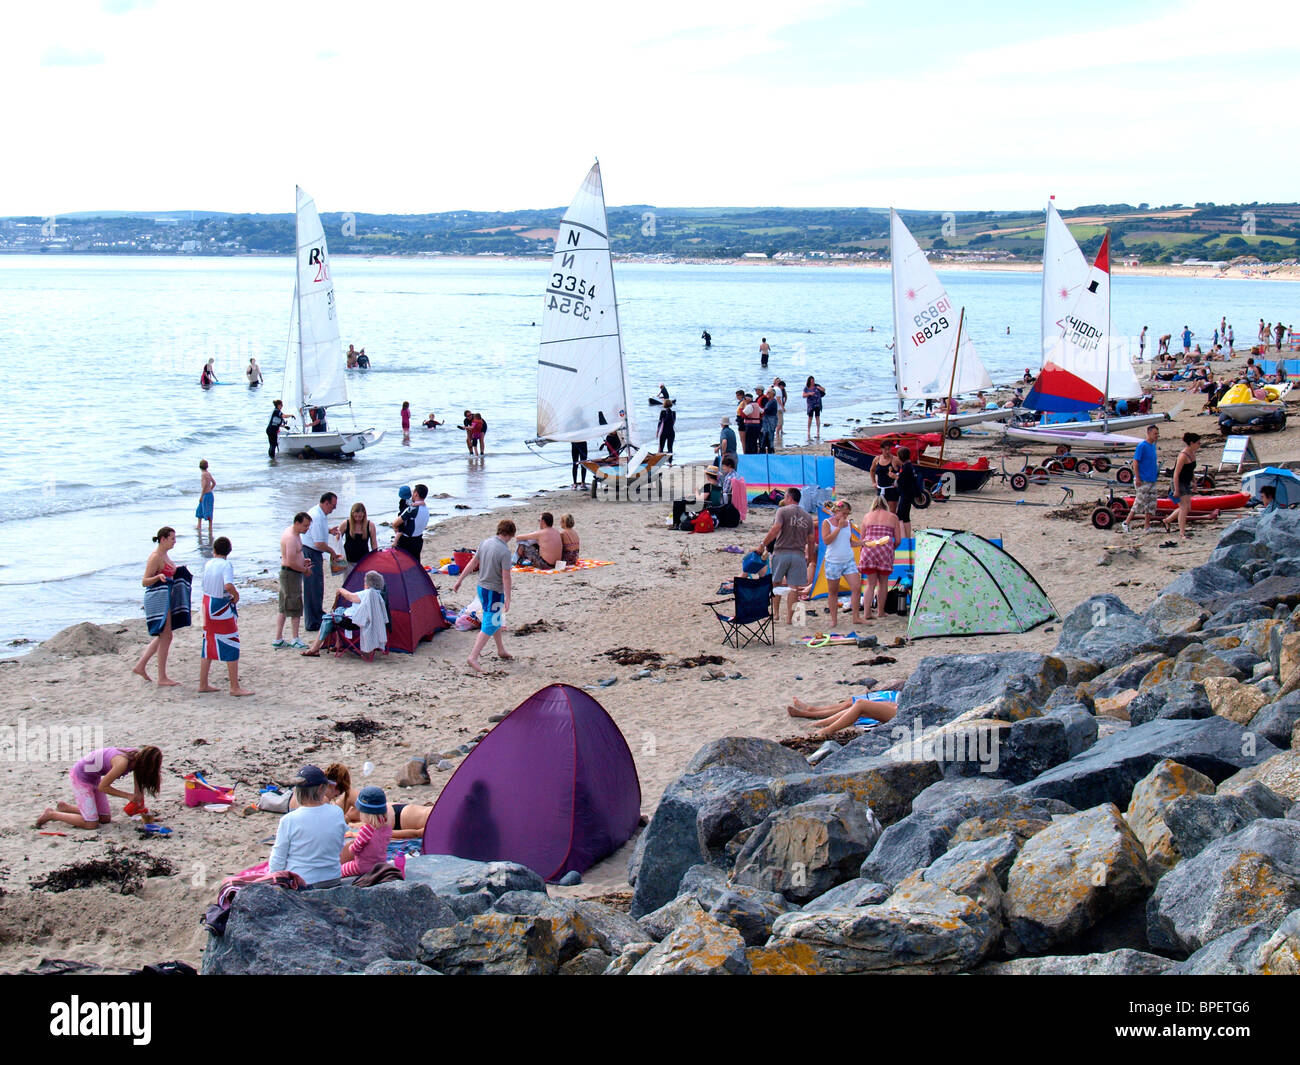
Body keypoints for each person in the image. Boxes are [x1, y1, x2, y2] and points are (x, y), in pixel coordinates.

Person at [36, 746, 163, 831]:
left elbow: (138, 792)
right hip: (81, 777)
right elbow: (103, 787)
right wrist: (128, 796)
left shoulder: (137, 760)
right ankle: (52, 814)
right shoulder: (122, 763)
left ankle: (66, 808)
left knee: (105, 819)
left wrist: (144, 814)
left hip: (94, 777)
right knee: (91, 824)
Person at [268, 765, 347, 888]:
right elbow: (339, 846)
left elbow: (277, 860)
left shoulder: (289, 820)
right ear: (322, 788)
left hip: (301, 883)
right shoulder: (337, 812)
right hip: (333, 879)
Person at [453, 519, 515, 673]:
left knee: (495, 619)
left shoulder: (485, 543)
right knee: (490, 623)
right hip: (493, 591)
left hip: (482, 588)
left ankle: (501, 649)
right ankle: (473, 656)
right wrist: (508, 597)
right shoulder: (505, 552)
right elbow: (506, 577)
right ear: (510, 534)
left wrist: (460, 580)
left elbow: (472, 563)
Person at [198, 536, 251, 696]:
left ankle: (203, 683)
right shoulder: (226, 565)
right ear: (229, 551)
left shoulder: (208, 563)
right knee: (231, 641)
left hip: (206, 602)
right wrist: (235, 594)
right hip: (219, 605)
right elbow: (228, 585)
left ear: (214, 550)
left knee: (208, 641)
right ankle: (234, 686)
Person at [759, 487, 817, 624]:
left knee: (776, 584)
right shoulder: (807, 517)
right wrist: (810, 558)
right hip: (798, 554)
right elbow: (811, 540)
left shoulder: (782, 511)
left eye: (785, 497)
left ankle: (776, 614)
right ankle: (790, 619)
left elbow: (775, 529)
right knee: (793, 588)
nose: (784, 500)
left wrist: (763, 545)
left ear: (790, 498)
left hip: (781, 552)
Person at [132, 527, 179, 686]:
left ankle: (141, 666)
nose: (175, 541)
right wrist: (159, 576)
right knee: (166, 636)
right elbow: (144, 581)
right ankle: (162, 677)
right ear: (163, 539)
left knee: (164, 636)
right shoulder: (155, 557)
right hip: (156, 598)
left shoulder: (165, 555)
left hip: (165, 597)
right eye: (172, 538)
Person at [299, 571, 388, 656]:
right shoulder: (379, 595)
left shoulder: (368, 593)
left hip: (353, 621)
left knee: (328, 618)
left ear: (368, 583)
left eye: (365, 582)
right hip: (363, 621)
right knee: (339, 611)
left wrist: (341, 590)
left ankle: (315, 648)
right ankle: (338, 643)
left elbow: (351, 597)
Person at [858, 495, 902, 620]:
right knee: (883, 583)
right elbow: (898, 540)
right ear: (886, 505)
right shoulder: (893, 517)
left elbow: (862, 538)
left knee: (870, 583)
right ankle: (880, 611)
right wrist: (891, 548)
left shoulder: (867, 516)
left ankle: (867, 612)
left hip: (869, 550)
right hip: (884, 550)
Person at [787, 691, 899, 739]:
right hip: (902, 703)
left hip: (905, 712)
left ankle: (826, 730)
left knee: (860, 704)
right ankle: (819, 721)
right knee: (856, 703)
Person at [821, 500, 862, 630]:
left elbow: (849, 542)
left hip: (848, 560)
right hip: (833, 561)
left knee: (856, 587)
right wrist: (838, 527)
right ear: (837, 511)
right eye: (844, 513)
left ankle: (856, 617)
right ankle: (834, 619)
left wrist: (862, 543)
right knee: (833, 591)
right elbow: (827, 540)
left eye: (847, 514)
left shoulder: (848, 524)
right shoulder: (827, 523)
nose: (846, 516)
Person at [275, 511, 313, 648]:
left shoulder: (296, 534)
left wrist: (303, 560)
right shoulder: (291, 537)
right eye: (305, 525)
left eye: (308, 526)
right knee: (294, 606)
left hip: (291, 573)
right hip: (290, 574)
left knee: (284, 606)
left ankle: (278, 638)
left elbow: (295, 556)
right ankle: (295, 638)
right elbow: (290, 561)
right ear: (297, 523)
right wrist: (305, 570)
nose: (307, 528)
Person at [301, 492, 339, 631]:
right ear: (326, 503)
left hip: (313, 551)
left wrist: (329, 531)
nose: (333, 509)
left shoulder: (320, 514)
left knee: (317, 586)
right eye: (333, 506)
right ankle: (312, 621)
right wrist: (332, 552)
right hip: (311, 552)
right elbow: (318, 543)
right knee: (312, 587)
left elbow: (316, 532)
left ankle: (317, 615)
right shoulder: (316, 516)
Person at [339, 786, 393, 878]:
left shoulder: (367, 829)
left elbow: (355, 850)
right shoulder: (386, 827)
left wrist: (351, 845)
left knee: (340, 870)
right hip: (380, 864)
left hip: (362, 866)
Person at [1167, 432, 1202, 542]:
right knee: (1183, 507)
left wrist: (1194, 482)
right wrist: (1176, 490)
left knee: (1188, 508)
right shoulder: (1183, 455)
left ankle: (1167, 520)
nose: (1199, 445)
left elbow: (1191, 470)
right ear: (1191, 443)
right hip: (1178, 482)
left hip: (1186, 482)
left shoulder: (1192, 453)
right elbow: (1176, 474)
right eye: (1198, 443)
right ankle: (1182, 533)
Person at [1128, 424, 1161, 536]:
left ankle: (1147, 526)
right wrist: (1137, 477)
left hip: (1151, 479)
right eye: (1155, 433)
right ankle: (1126, 522)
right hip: (1143, 479)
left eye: (1157, 434)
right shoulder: (1142, 445)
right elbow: (1135, 462)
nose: (1157, 436)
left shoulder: (1152, 446)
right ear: (1149, 433)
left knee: (1150, 504)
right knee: (1140, 502)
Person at [340, 502, 378, 577]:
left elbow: (374, 544)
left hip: (364, 561)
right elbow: (336, 540)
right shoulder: (346, 524)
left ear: (364, 515)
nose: (357, 519)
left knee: (362, 584)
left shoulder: (370, 525)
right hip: (348, 561)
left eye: (360, 517)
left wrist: (376, 558)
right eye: (355, 516)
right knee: (348, 584)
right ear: (352, 515)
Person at [393, 484, 429, 562]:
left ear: (416, 494)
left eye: (413, 492)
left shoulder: (412, 509)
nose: (411, 495)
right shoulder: (425, 508)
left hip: (406, 542)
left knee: (403, 566)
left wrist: (396, 531)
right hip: (418, 540)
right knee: (415, 565)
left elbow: (395, 523)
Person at [895, 446, 920, 540]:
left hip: (906, 494)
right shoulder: (908, 466)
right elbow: (913, 481)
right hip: (907, 494)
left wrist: (895, 477)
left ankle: (904, 537)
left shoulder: (907, 467)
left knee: (901, 516)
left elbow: (903, 481)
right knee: (903, 515)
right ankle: (905, 536)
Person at [871, 444, 898, 512]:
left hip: (892, 490)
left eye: (889, 449)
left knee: (892, 513)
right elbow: (872, 470)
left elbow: (905, 470)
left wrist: (897, 476)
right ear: (881, 449)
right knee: (878, 512)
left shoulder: (895, 459)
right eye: (885, 449)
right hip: (880, 489)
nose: (887, 451)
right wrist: (874, 482)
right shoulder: (877, 459)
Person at [193, 459, 216, 536]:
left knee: (201, 510)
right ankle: (209, 527)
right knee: (207, 511)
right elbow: (214, 483)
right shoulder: (208, 473)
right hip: (210, 494)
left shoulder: (203, 474)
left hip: (205, 495)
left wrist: (201, 496)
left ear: (200, 467)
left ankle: (199, 525)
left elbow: (204, 485)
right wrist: (210, 489)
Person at [803, 376, 826, 442]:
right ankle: (808, 431)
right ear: (809, 381)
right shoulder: (806, 388)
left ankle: (818, 431)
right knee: (810, 418)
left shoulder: (817, 385)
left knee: (817, 417)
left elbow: (824, 390)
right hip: (810, 404)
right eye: (812, 381)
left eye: (813, 380)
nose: (813, 382)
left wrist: (820, 388)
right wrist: (809, 393)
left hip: (817, 404)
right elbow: (803, 395)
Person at [760, 388, 779, 453]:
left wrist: (759, 409)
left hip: (770, 421)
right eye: (767, 392)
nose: (767, 394)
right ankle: (767, 449)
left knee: (769, 436)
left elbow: (766, 410)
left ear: (773, 394)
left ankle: (770, 449)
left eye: (769, 393)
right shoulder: (769, 401)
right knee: (766, 435)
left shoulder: (773, 401)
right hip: (767, 421)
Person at [773, 378, 787, 448]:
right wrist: (783, 407)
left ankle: (777, 433)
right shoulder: (778, 390)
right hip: (778, 408)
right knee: (780, 422)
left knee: (778, 421)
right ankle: (777, 434)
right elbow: (778, 399)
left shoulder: (773, 388)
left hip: (774, 408)